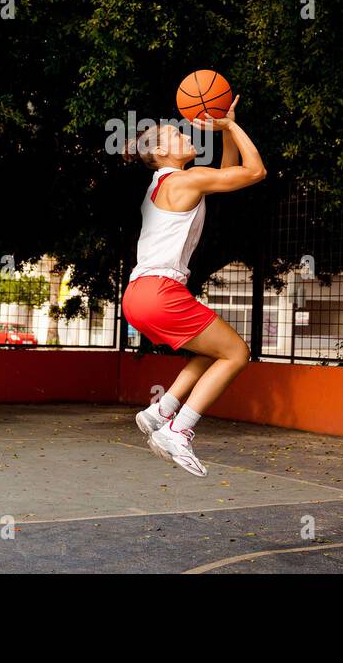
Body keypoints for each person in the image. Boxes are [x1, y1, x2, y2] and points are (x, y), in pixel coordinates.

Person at [121, 97, 266, 476]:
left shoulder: (164, 184)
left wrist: (223, 130)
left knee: (210, 350)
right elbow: (254, 172)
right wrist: (231, 126)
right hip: (159, 293)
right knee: (236, 353)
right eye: (174, 134)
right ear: (162, 151)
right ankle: (178, 430)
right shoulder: (186, 179)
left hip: (138, 296)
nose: (184, 135)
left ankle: (161, 410)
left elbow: (225, 171)